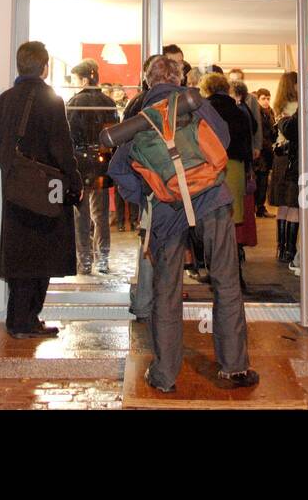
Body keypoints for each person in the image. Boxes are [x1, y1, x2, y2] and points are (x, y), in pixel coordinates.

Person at [109, 55, 259, 393]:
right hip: (212, 200)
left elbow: (119, 169)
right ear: (179, 79)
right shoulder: (195, 103)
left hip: (167, 211)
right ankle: (235, 367)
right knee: (225, 281)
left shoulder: (140, 116)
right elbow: (222, 140)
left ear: (148, 82)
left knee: (166, 290)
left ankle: (164, 375)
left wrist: (147, 193)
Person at [0, 41, 83, 339]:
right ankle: (26, 321)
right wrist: (73, 182)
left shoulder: (3, 100)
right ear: (45, 67)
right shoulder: (51, 100)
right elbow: (62, 149)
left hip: (15, 188)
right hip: (46, 191)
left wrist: (15, 171)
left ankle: (18, 319)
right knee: (42, 254)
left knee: (19, 254)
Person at [200, 72, 255, 288]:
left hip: (213, 167)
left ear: (207, 89)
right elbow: (249, 142)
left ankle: (215, 272)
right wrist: (248, 169)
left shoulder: (205, 110)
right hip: (236, 168)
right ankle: (236, 273)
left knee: (212, 221)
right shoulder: (239, 111)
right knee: (232, 223)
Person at [66, 59, 119, 274]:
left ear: (84, 80)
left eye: (75, 79)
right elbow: (114, 134)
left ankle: (85, 261)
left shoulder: (74, 102)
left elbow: (69, 135)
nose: (74, 83)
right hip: (102, 161)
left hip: (80, 162)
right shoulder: (108, 102)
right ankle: (103, 259)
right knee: (101, 214)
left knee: (81, 215)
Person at [269, 71, 301, 267]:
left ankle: (281, 248)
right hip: (291, 157)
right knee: (294, 204)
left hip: (279, 158)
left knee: (282, 205)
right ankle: (290, 249)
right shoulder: (296, 106)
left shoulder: (278, 106)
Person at [228, 67, 265, 158]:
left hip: (247, 143)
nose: (234, 83)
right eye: (232, 80)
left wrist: (257, 146)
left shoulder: (251, 99)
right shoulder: (226, 98)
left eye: (237, 80)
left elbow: (257, 122)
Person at [253, 88, 275, 217]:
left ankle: (260, 207)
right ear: (258, 99)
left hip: (267, 151)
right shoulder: (257, 113)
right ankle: (258, 207)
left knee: (263, 181)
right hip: (260, 151)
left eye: (268, 98)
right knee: (260, 180)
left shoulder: (270, 112)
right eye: (263, 98)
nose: (266, 101)